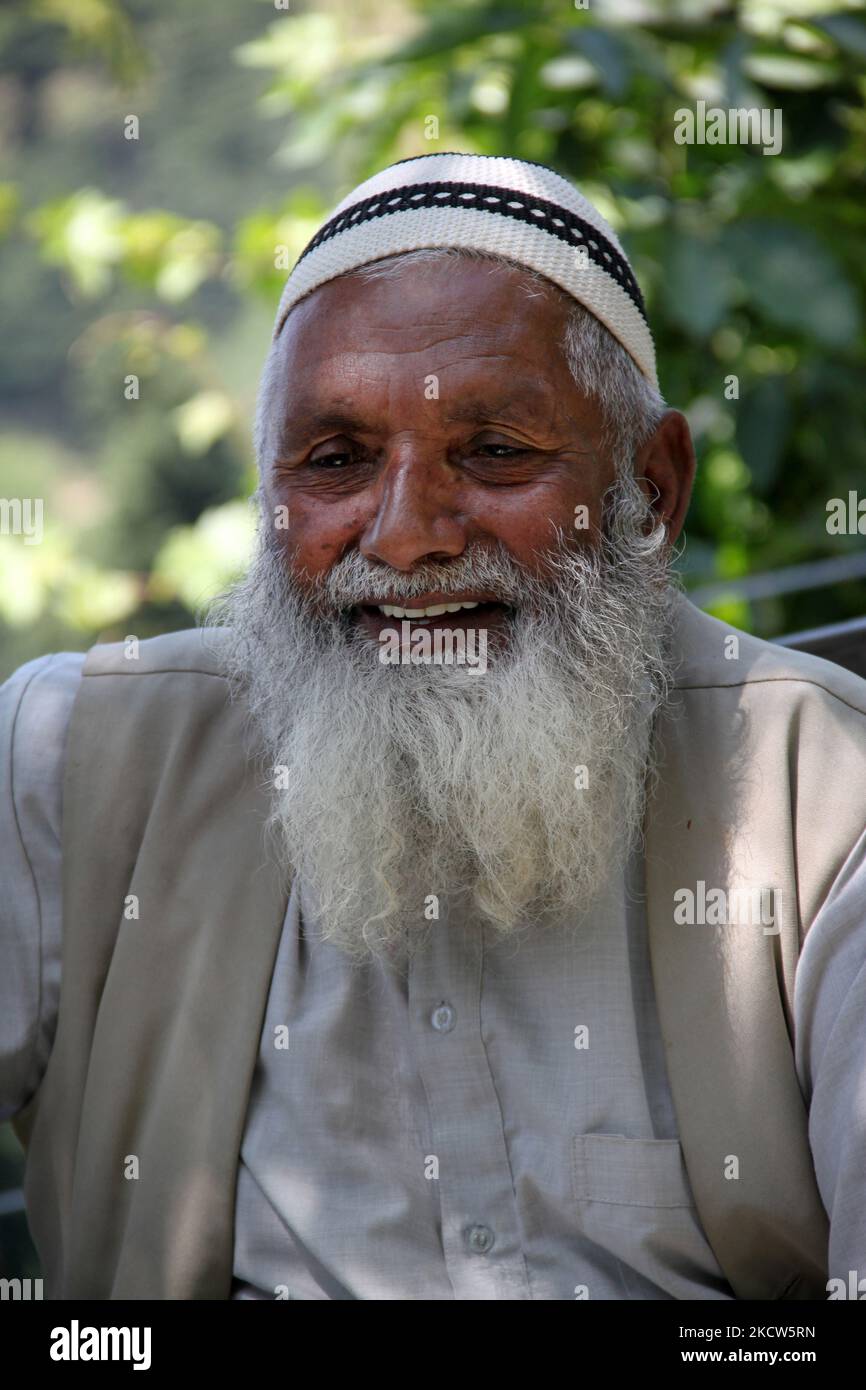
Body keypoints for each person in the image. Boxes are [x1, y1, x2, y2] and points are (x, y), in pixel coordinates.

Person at [2, 153, 865, 1301]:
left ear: (648, 491)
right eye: (336, 461)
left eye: (495, 452)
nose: (406, 535)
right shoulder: (74, 767)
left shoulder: (822, 796)